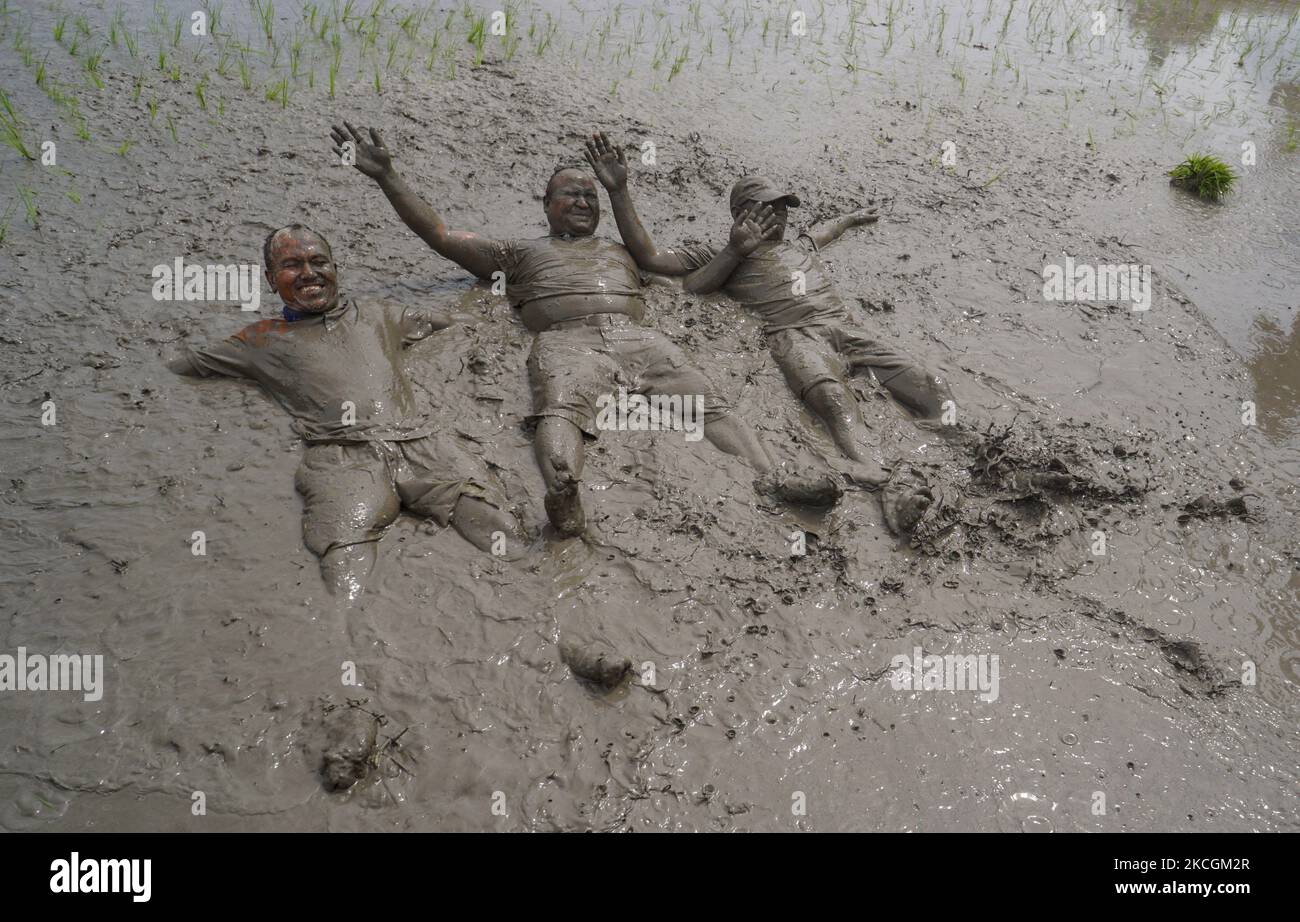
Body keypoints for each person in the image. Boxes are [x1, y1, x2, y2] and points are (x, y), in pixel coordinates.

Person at [330, 122, 842, 538]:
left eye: (589, 197)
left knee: (707, 401)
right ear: (546, 205)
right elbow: (440, 235)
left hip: (636, 337)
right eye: (569, 195)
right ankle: (565, 494)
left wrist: (621, 190)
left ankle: (774, 479)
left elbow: (692, 285)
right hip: (566, 341)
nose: (581, 202)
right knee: (560, 410)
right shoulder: (519, 253)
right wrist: (386, 177)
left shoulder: (624, 252)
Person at [583, 132, 954, 532]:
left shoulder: (801, 245)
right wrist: (619, 190)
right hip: (795, 336)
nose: (779, 216)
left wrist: (851, 218)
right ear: (742, 215)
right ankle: (881, 479)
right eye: (768, 209)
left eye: (783, 208)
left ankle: (959, 444)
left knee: (932, 384)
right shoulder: (721, 253)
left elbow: (825, 231)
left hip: (844, 328)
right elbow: (653, 259)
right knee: (834, 401)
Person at [166, 224, 525, 600]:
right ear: (272, 281)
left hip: (420, 442)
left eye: (319, 262)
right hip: (342, 454)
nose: (309, 273)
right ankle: (345, 638)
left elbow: (453, 328)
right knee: (343, 566)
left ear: (335, 269)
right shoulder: (258, 340)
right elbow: (181, 369)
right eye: (292, 265)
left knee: (502, 532)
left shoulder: (380, 315)